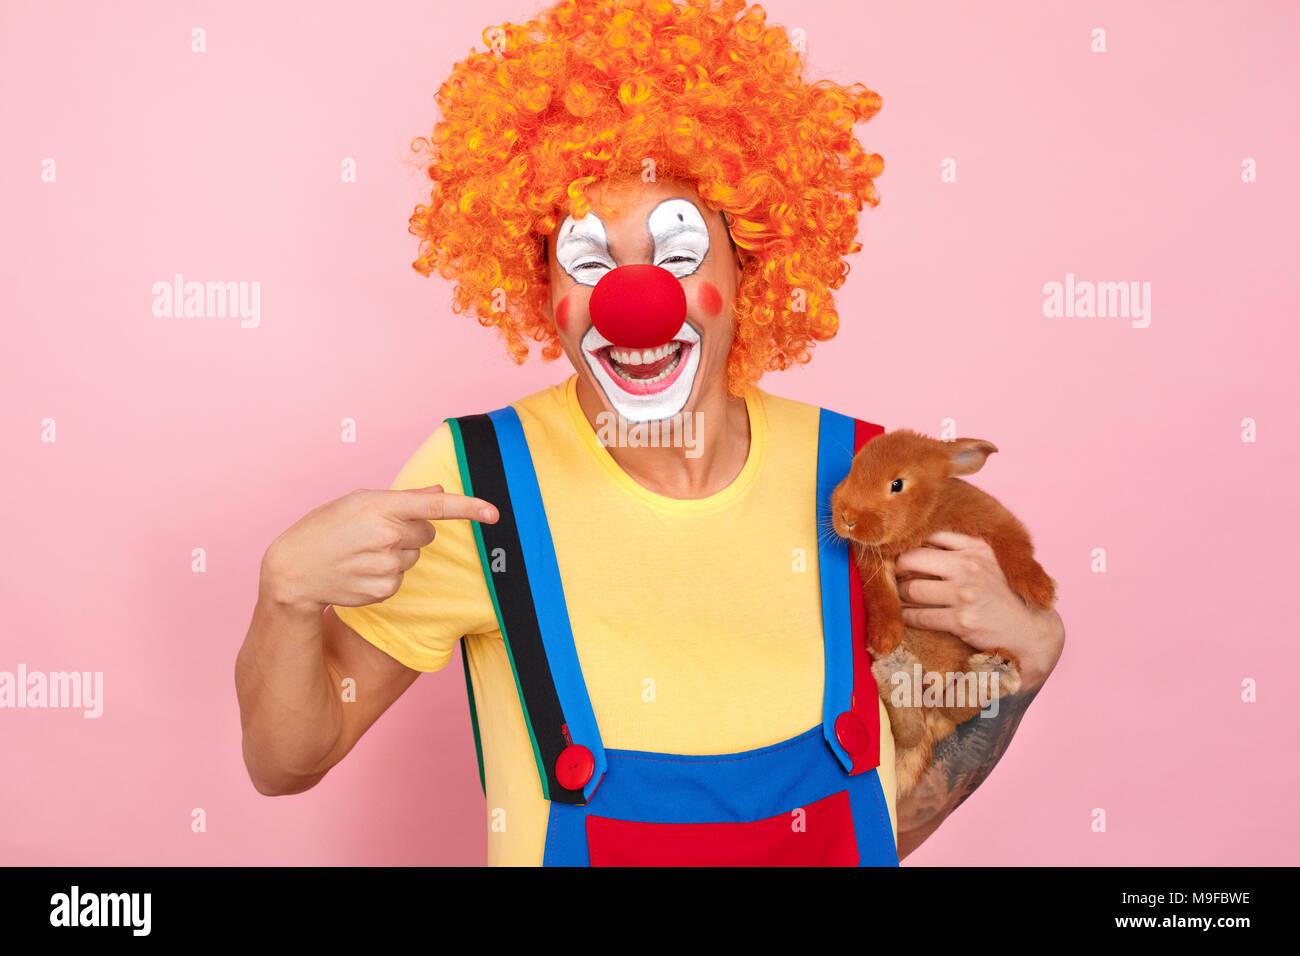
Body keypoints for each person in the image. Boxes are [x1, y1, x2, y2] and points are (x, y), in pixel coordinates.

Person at [235, 0, 1065, 866]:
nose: (636, 299)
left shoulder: (856, 479)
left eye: (676, 254)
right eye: (589, 261)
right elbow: (286, 762)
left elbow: (888, 814)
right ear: (541, 291)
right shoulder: (481, 486)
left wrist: (1029, 655)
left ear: (748, 269)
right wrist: (285, 595)